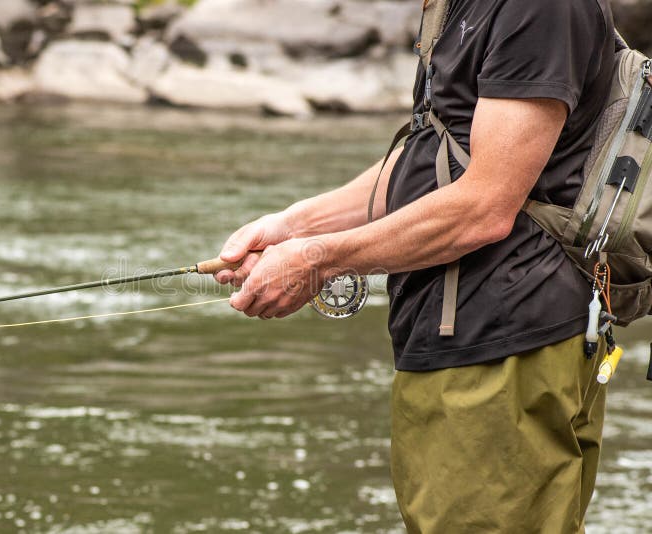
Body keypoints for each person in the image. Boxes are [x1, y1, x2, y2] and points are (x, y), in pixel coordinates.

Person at [213, 0, 617, 532]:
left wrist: (319, 259)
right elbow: (439, 154)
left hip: (506, 344)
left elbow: (482, 207)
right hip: (456, 338)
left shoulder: (537, 7)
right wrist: (296, 225)